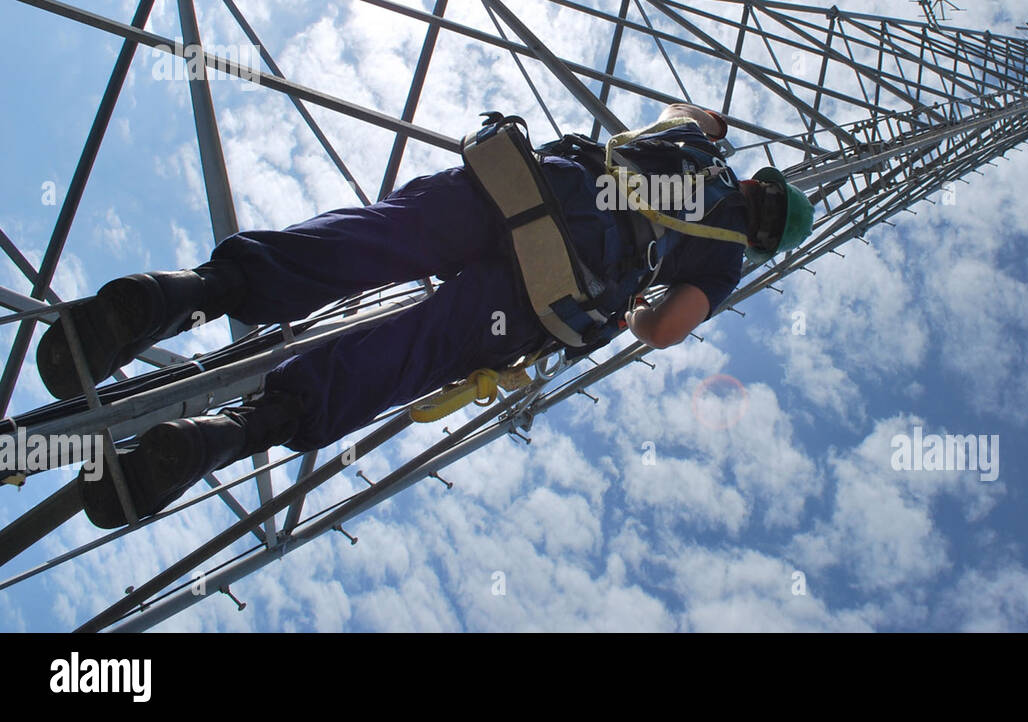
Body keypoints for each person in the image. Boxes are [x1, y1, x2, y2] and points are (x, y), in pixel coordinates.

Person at [36, 105, 813, 528]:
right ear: (764, 236)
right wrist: (641, 318)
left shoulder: (684, 141)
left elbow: (704, 116)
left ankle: (177, 296)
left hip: (516, 188)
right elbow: (669, 327)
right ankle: (225, 436)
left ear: (756, 181)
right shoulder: (722, 258)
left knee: (363, 243)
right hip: (547, 287)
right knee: (402, 357)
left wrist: (717, 130)